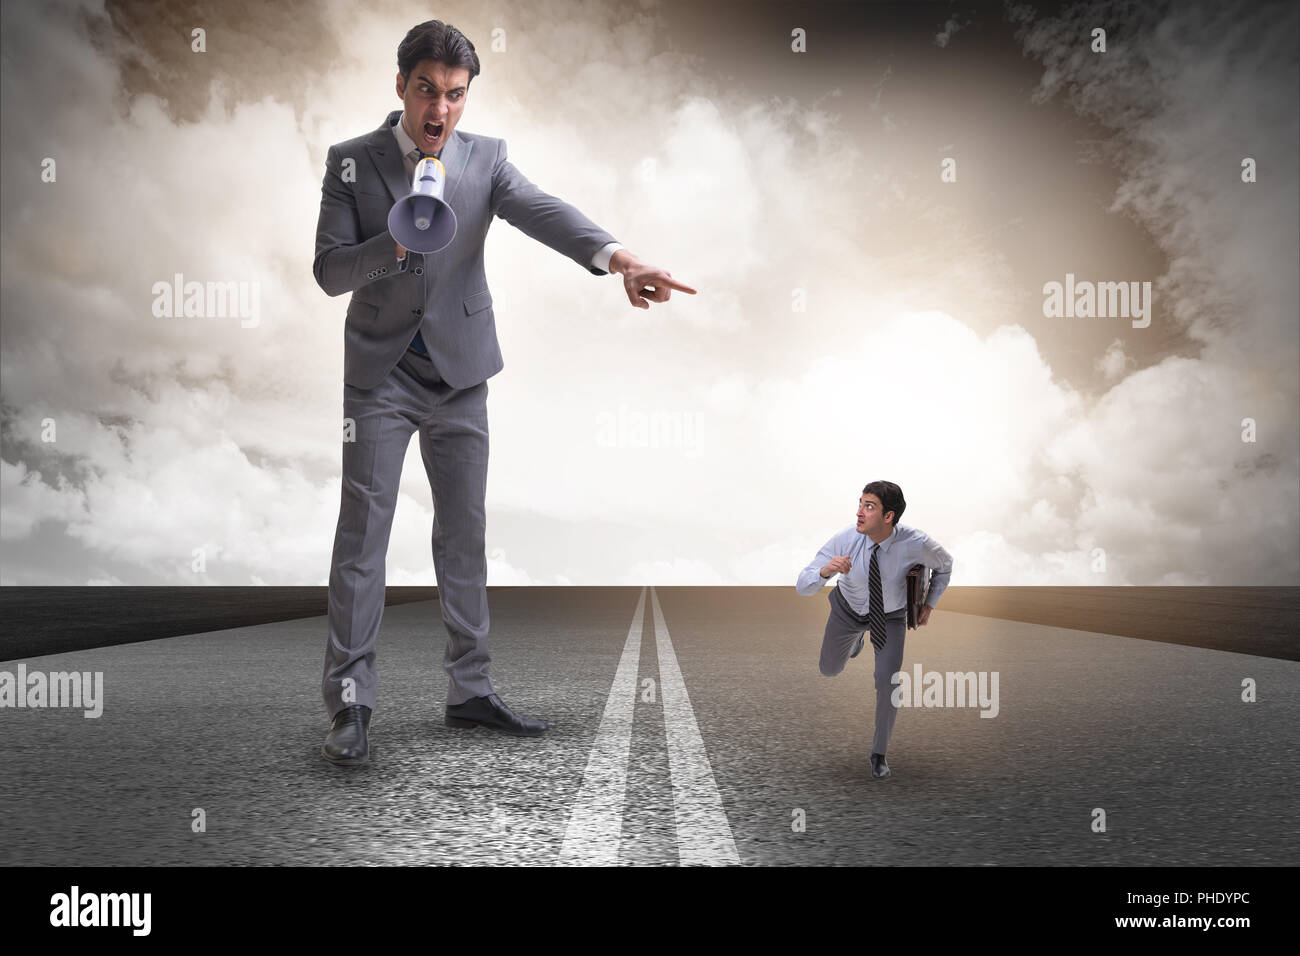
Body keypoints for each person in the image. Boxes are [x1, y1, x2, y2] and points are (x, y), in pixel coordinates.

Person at [313, 20, 696, 765]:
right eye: (427, 90)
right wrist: (393, 242)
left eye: (455, 95)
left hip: (460, 376)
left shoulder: (486, 159)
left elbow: (544, 211)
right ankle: (352, 704)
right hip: (381, 379)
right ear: (401, 86)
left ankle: (470, 693)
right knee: (363, 537)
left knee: (465, 534)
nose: (440, 109)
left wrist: (620, 259)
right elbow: (329, 272)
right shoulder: (351, 163)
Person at [796, 480, 954, 779]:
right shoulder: (844, 539)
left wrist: (929, 604)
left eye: (868, 507)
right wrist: (826, 570)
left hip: (890, 617)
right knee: (829, 669)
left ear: (888, 517)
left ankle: (879, 753)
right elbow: (802, 586)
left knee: (888, 681)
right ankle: (855, 641)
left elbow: (946, 564)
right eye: (859, 504)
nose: (859, 513)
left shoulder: (917, 543)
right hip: (848, 610)